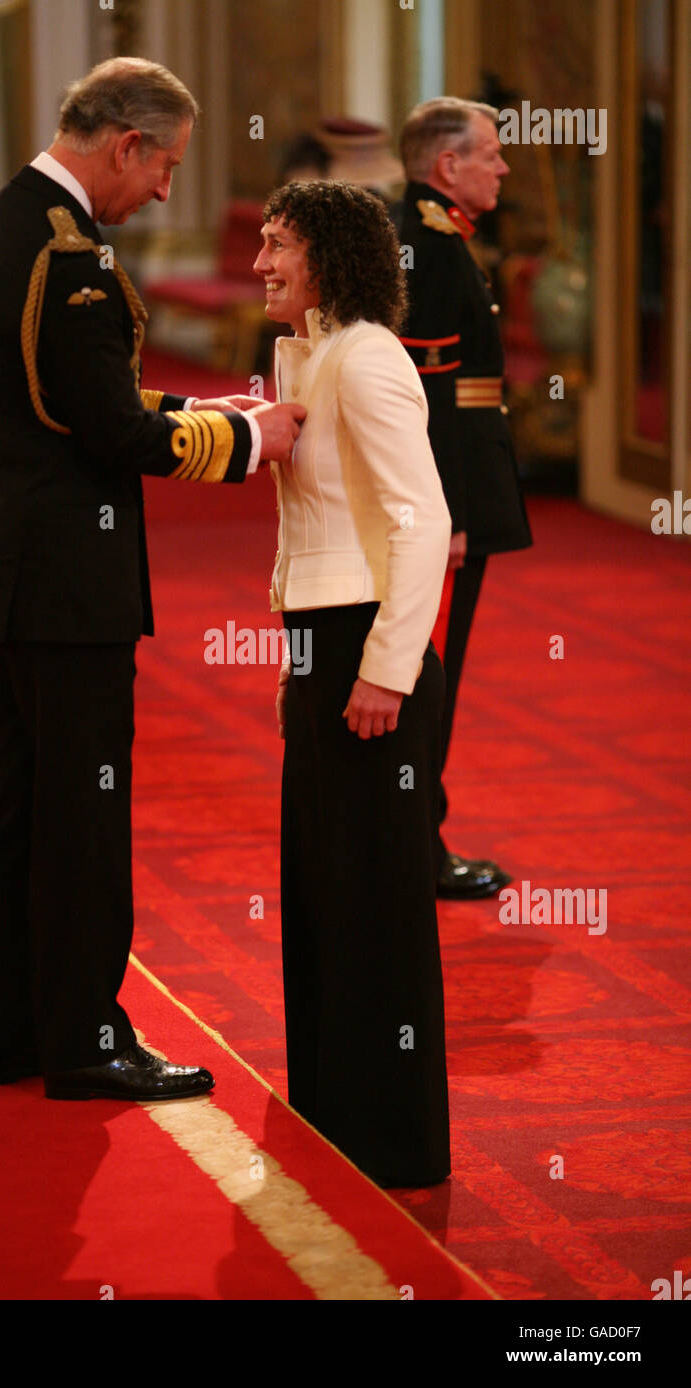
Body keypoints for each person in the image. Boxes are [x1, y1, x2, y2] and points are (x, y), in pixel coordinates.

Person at [0, 57, 305, 1102]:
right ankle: (87, 1037)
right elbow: (110, 429)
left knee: (15, 803)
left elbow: (72, 388)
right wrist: (248, 442)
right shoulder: (71, 259)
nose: (162, 191)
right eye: (163, 167)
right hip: (65, 587)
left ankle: (6, 1030)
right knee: (83, 817)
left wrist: (213, 416)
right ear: (125, 143)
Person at [254, 181, 453, 1187]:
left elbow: (422, 526)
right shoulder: (308, 351)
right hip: (316, 640)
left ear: (325, 257)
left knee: (373, 891)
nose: (258, 261)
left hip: (365, 646)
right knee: (322, 881)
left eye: (277, 243)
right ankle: (332, 1107)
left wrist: (385, 670)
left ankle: (391, 1137)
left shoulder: (367, 358)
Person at [390, 97, 533, 900]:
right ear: (449, 167)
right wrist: (449, 514)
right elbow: (426, 401)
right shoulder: (432, 249)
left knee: (428, 675)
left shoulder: (430, 240)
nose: (503, 168)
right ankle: (418, 846)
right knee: (428, 677)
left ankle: (416, 836)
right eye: (492, 154)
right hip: (443, 507)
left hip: (449, 498)